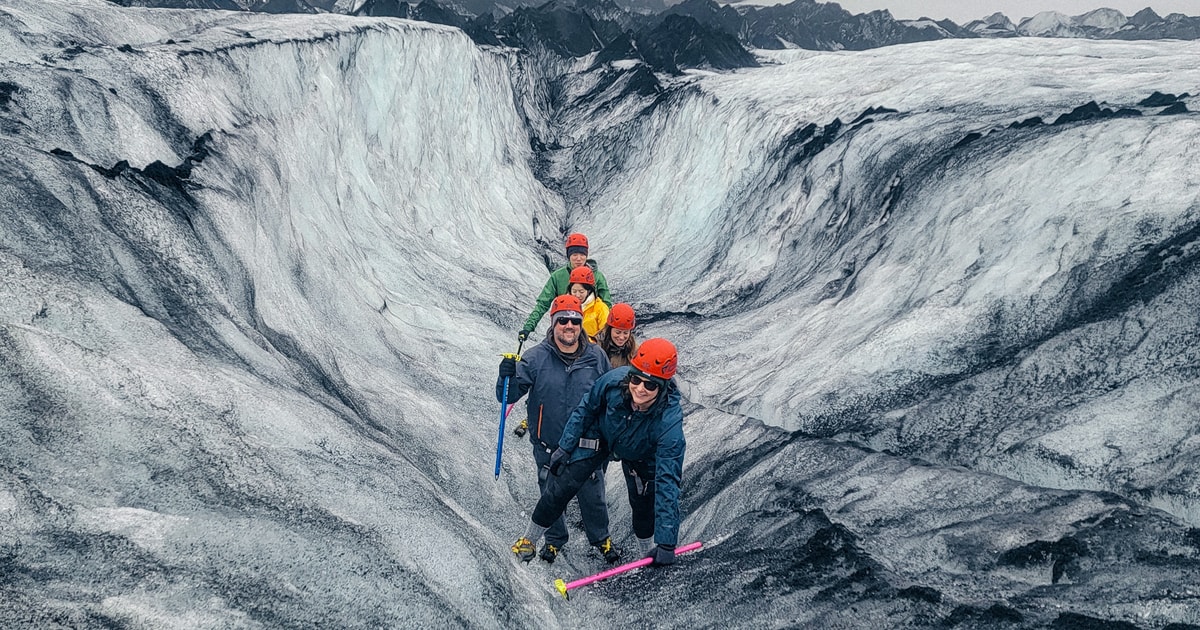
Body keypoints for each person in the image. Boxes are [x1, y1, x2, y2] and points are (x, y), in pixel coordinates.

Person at [510, 338, 685, 568]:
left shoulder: (669, 423)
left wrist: (667, 542)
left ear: (662, 387)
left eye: (650, 385)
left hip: (642, 453)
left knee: (643, 506)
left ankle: (649, 554)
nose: (640, 389)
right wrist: (565, 447)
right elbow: (586, 408)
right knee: (562, 485)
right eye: (636, 379)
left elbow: (667, 481)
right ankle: (529, 540)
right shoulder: (614, 380)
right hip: (602, 435)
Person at [497, 294, 621, 564]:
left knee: (594, 496)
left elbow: (610, 398)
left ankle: (601, 538)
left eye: (575, 321)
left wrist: (612, 438)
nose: (569, 326)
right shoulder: (535, 358)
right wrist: (505, 376)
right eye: (563, 320)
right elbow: (507, 396)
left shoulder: (597, 356)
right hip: (549, 445)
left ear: (581, 324)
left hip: (587, 446)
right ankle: (554, 540)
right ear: (553, 323)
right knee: (550, 495)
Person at [518, 233, 612, 343]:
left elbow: (607, 306)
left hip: (591, 335)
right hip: (564, 328)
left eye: (582, 255)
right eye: (574, 255)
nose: (578, 259)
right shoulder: (558, 277)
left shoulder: (598, 277)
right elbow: (542, 304)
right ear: (568, 256)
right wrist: (528, 328)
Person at [567, 266, 609, 342]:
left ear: (589, 291)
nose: (577, 295)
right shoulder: (564, 307)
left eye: (581, 291)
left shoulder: (601, 308)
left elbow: (605, 336)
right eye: (574, 291)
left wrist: (585, 342)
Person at [595, 303, 638, 368]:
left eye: (625, 333)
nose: (621, 337)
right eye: (618, 332)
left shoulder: (634, 350)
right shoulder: (595, 346)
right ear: (609, 330)